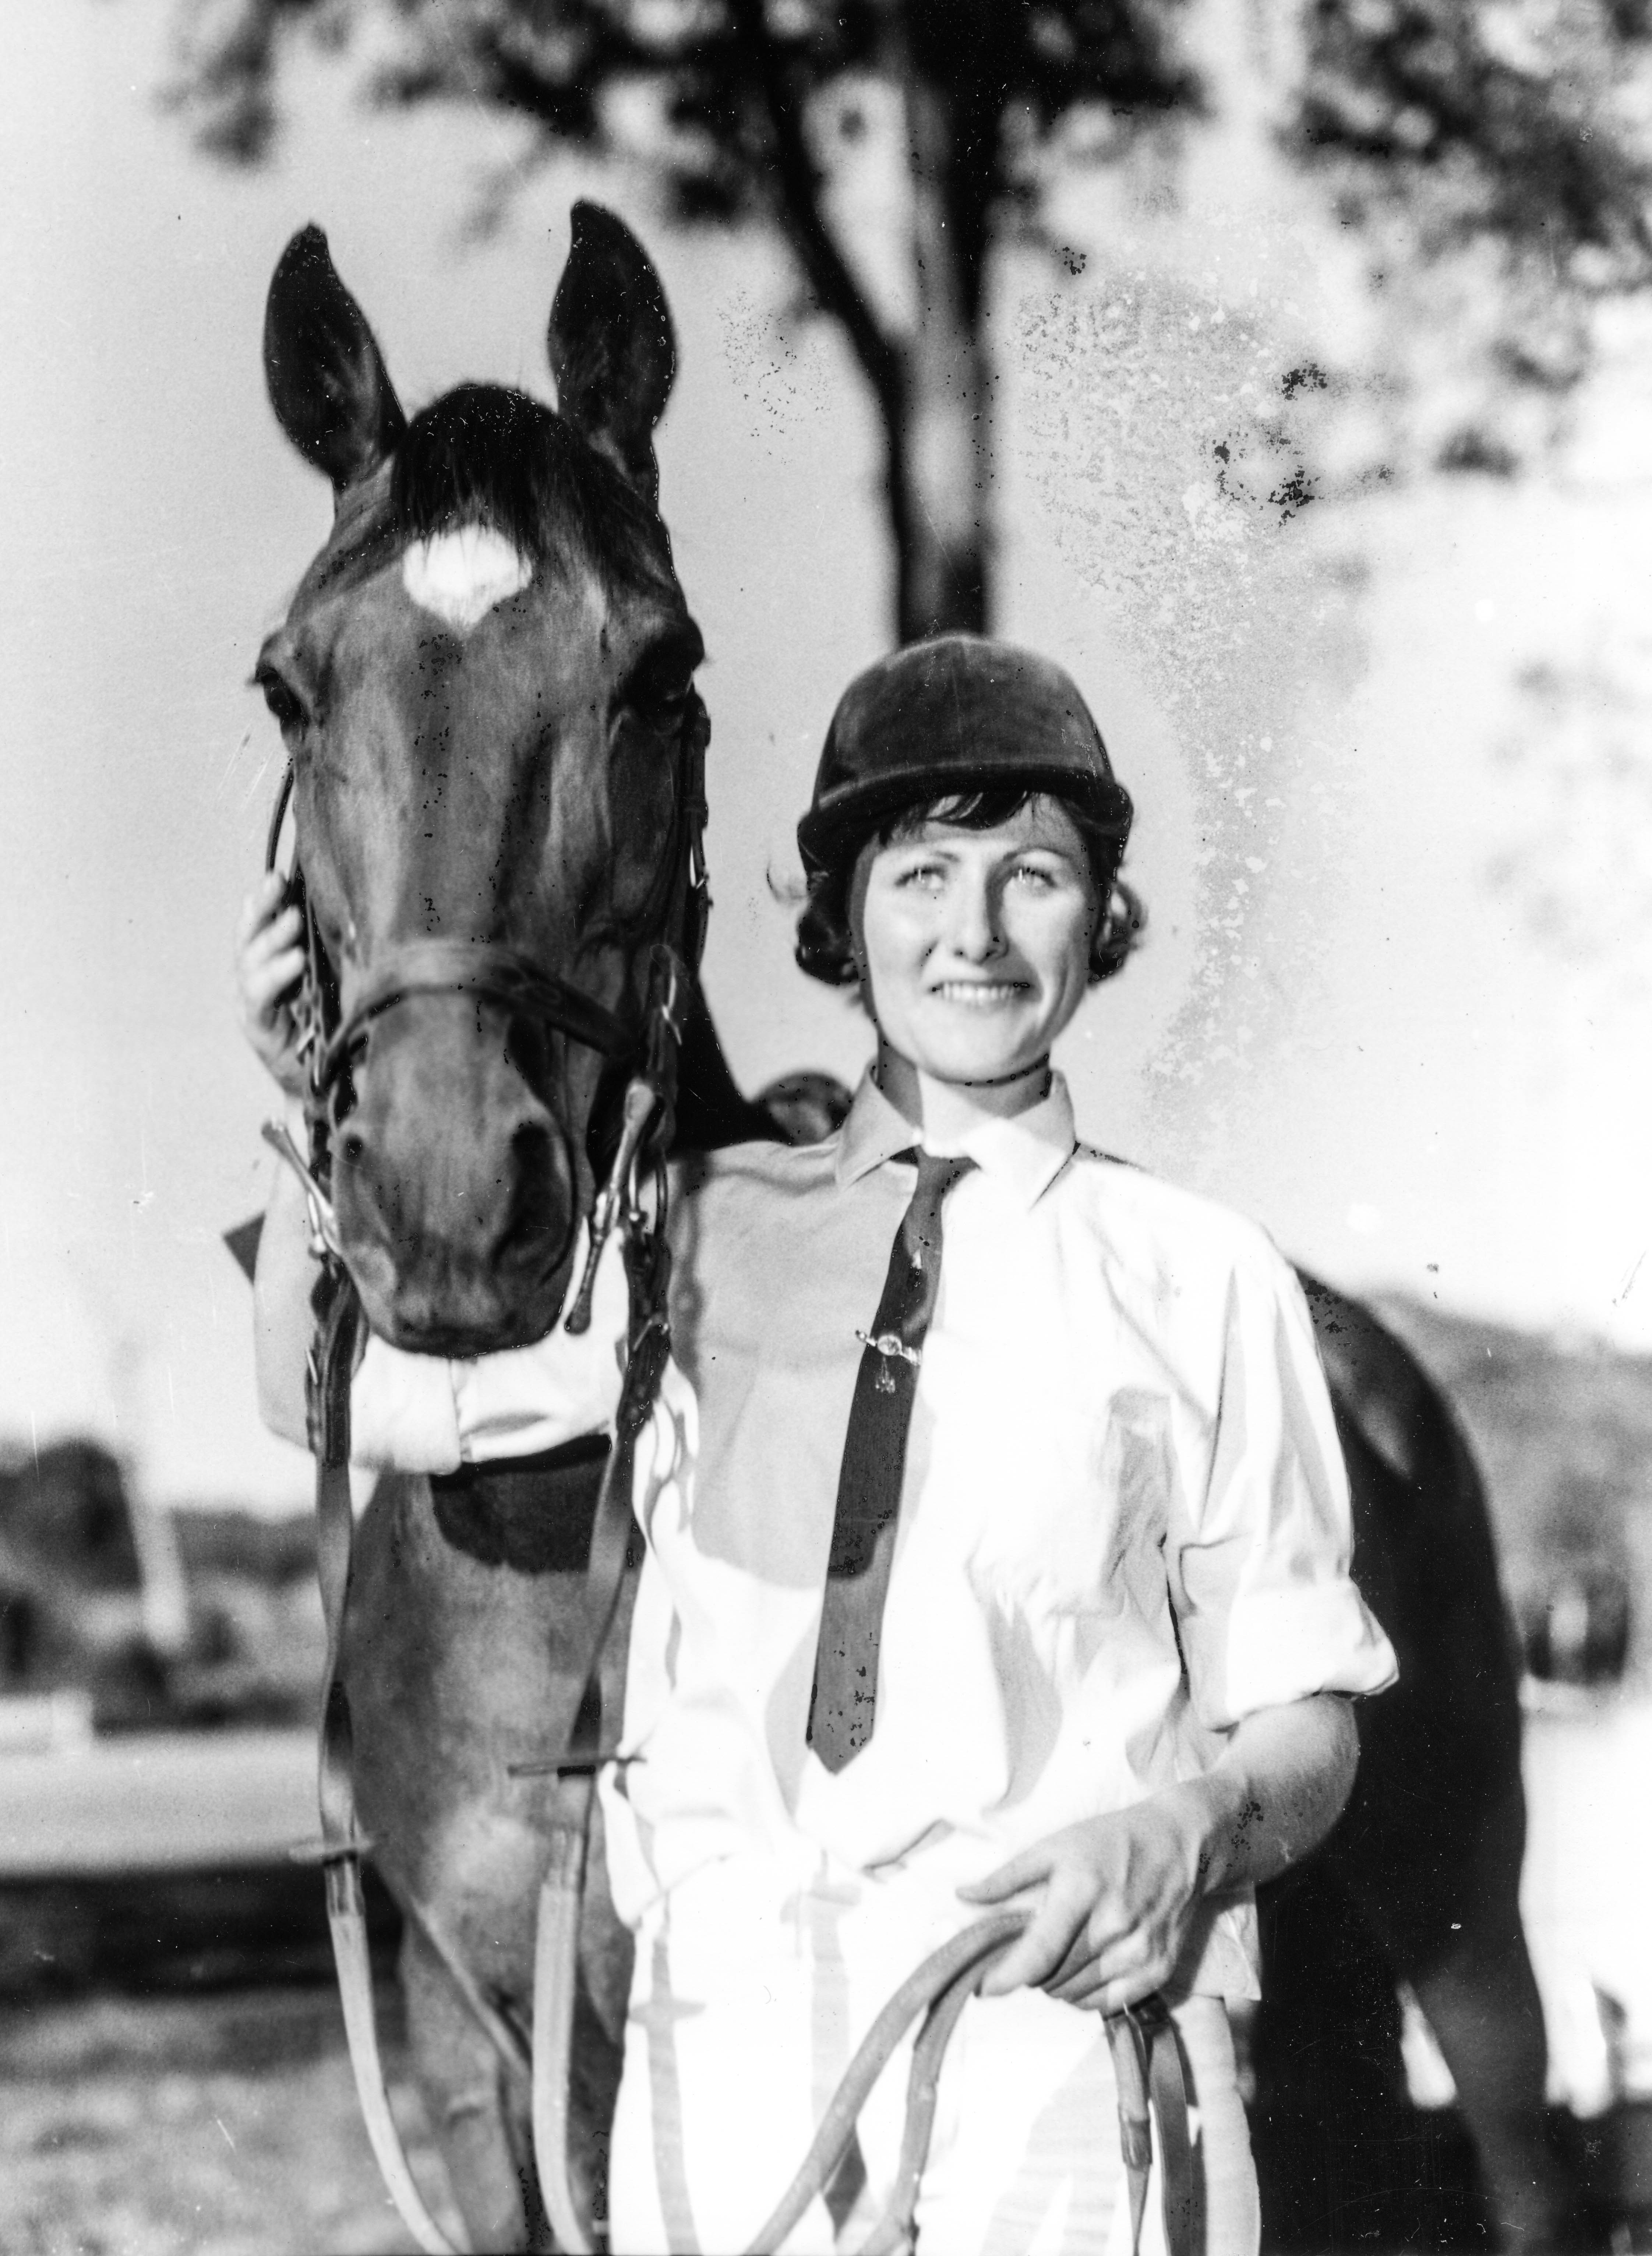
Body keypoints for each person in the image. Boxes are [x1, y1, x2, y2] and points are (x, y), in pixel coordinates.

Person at [596, 635, 1398, 2256]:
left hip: (1070, 2056)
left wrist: (1189, 1833)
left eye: (1031, 875)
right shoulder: (685, 1236)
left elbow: (1309, 1718)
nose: (973, 932)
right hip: (717, 2058)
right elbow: (353, 1398)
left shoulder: (1203, 1273)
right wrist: (297, 1055)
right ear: (844, 917)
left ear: (1100, 917)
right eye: (920, 875)